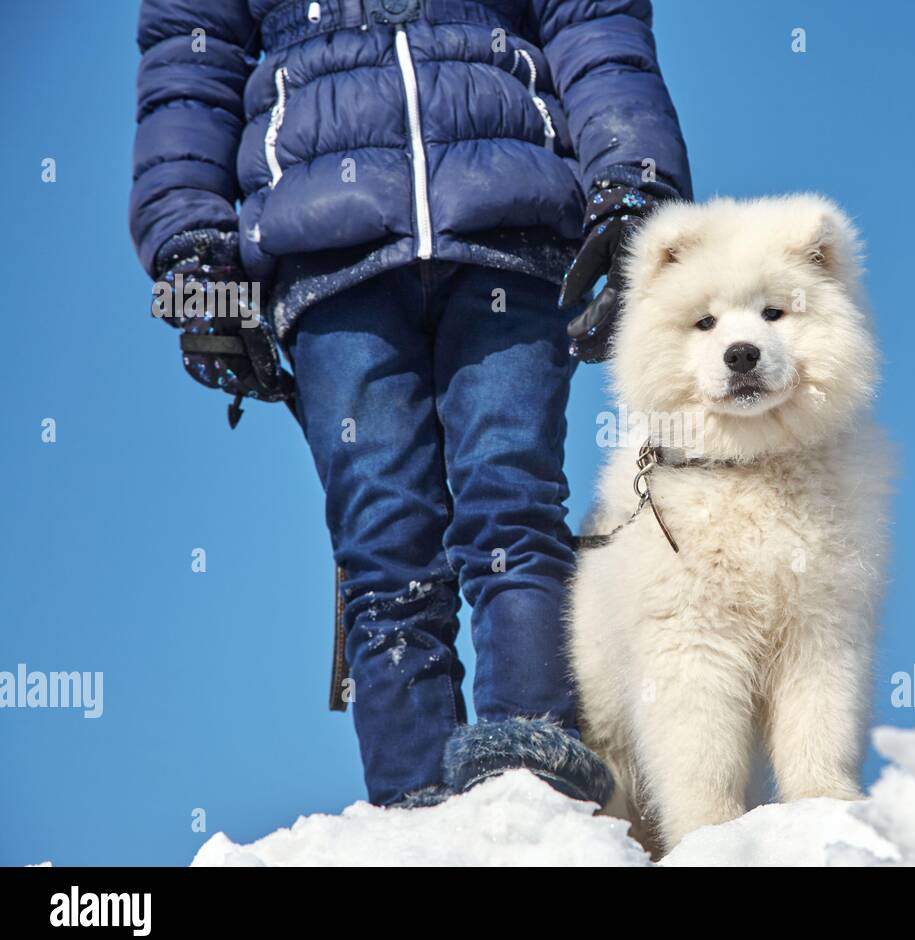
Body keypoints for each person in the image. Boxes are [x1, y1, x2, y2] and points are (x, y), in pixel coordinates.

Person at [129, 0, 691, 807]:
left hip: (510, 230)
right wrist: (190, 248)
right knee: (383, 542)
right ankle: (414, 814)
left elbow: (594, 26)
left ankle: (535, 790)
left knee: (512, 507)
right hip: (328, 252)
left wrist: (635, 183)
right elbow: (190, 73)